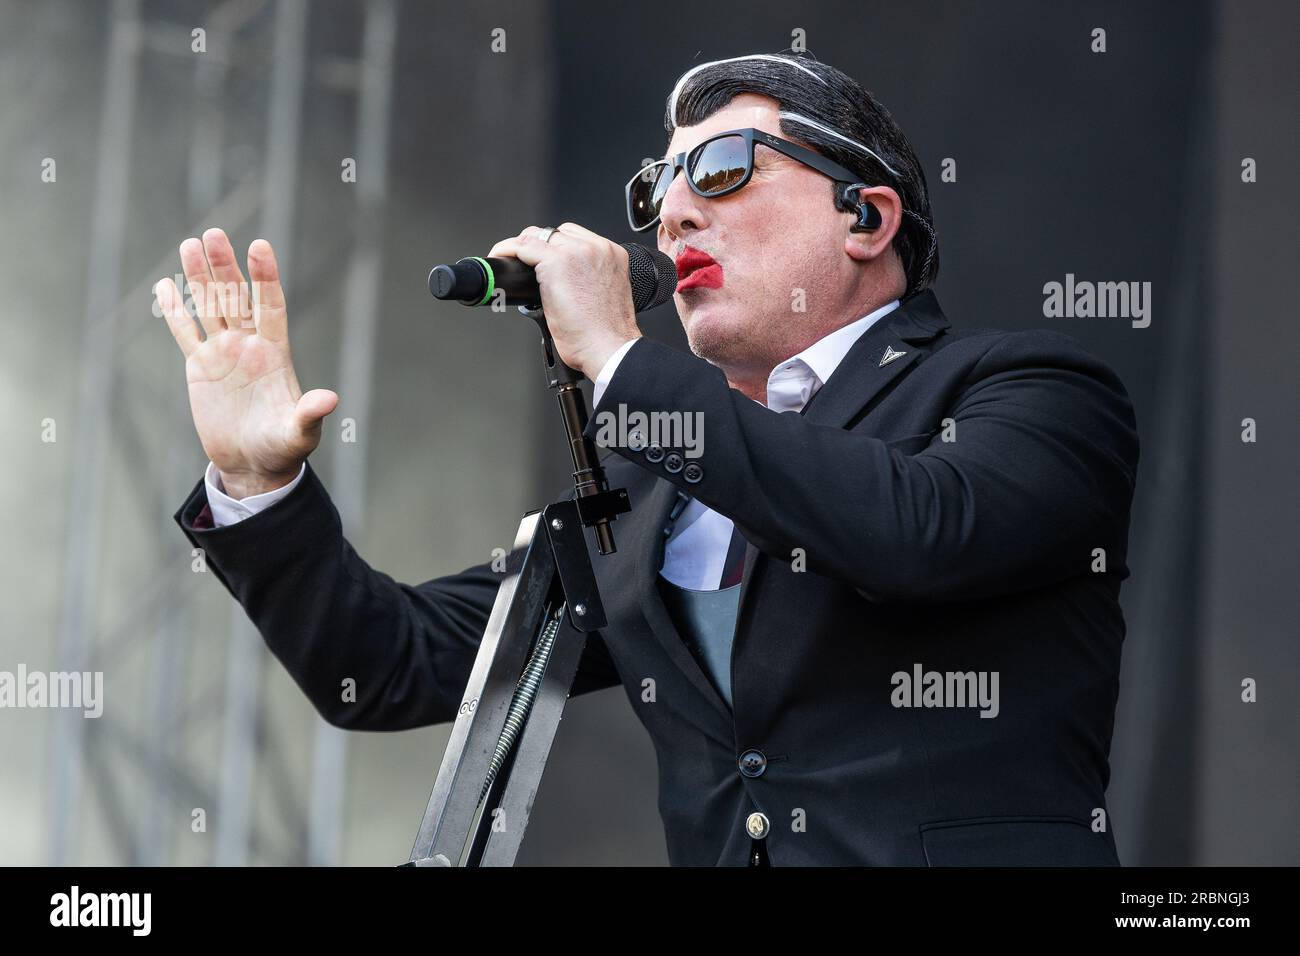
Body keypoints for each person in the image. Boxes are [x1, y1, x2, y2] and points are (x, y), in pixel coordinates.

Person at [156, 52, 1139, 866]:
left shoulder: (1033, 391)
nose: (669, 214)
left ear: (865, 219)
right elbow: (385, 667)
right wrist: (258, 483)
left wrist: (624, 362)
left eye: (718, 172)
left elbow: (914, 531)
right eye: (653, 189)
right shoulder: (652, 488)